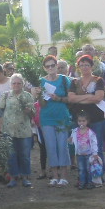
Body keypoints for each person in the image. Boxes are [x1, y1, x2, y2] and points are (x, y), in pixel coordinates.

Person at [68, 54, 105, 185]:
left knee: (97, 147)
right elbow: (71, 98)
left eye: (87, 65)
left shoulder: (98, 80)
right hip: (78, 119)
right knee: (80, 148)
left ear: (92, 66)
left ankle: (98, 176)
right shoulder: (74, 82)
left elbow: (99, 97)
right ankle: (83, 176)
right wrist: (89, 96)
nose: (84, 67)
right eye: (82, 65)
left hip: (96, 118)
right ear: (78, 67)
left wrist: (81, 98)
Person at [37, 55, 73, 187]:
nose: (51, 68)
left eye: (53, 65)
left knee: (62, 145)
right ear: (44, 68)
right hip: (46, 117)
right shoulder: (40, 81)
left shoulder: (64, 80)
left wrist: (59, 98)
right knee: (51, 146)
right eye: (48, 66)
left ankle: (64, 176)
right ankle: (54, 176)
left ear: (57, 65)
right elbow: (42, 104)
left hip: (62, 116)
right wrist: (39, 95)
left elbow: (70, 98)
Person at [0, 73, 35, 188]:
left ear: (23, 84)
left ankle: (25, 177)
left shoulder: (27, 96)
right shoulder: (6, 95)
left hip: (24, 131)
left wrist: (29, 111)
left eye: (19, 83)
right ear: (11, 84)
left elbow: (33, 113)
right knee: (11, 155)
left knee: (24, 155)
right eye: (14, 83)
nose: (16, 85)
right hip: (8, 130)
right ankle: (13, 178)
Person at [71, 113, 99, 189]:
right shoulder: (75, 131)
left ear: (87, 121)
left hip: (89, 154)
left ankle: (90, 182)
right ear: (77, 122)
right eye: (79, 121)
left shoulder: (90, 132)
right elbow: (72, 141)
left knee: (88, 169)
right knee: (81, 169)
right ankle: (82, 182)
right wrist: (70, 140)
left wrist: (95, 153)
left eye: (83, 121)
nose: (81, 123)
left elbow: (94, 143)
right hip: (79, 154)